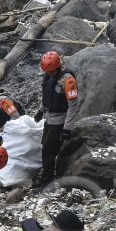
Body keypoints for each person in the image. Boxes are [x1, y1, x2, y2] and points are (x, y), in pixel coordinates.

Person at [36, 51, 79, 187]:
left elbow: (72, 106)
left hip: (60, 120)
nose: (49, 73)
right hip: (49, 118)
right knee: (45, 146)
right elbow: (47, 96)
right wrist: (40, 111)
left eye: (51, 71)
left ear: (58, 67)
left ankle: (48, 181)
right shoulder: (47, 76)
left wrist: (67, 128)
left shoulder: (68, 81)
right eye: (47, 71)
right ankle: (46, 177)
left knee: (48, 150)